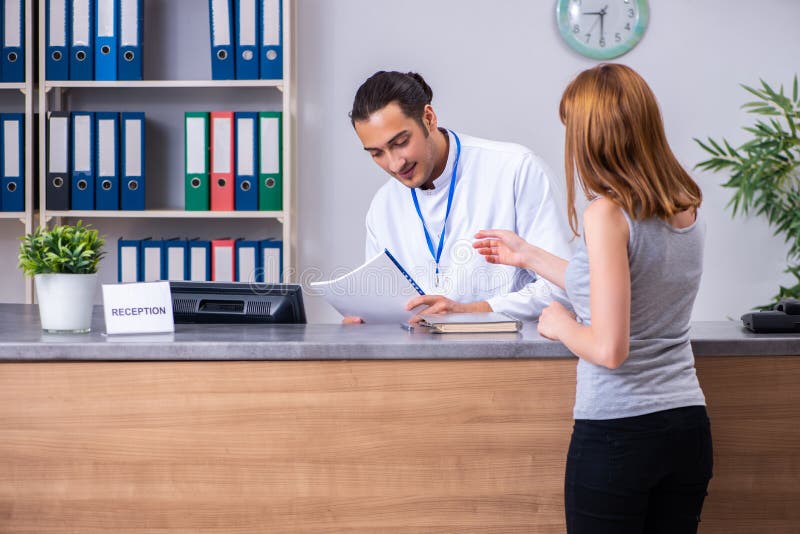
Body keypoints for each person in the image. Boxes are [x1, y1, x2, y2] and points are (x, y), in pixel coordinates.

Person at [474, 63, 712, 533]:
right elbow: (619, 285)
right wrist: (528, 255)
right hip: (687, 426)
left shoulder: (607, 213)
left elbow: (609, 348)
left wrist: (559, 323)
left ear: (592, 137)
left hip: (619, 435)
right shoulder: (685, 204)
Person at [346, 70, 573, 323]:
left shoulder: (516, 169)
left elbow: (563, 289)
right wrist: (369, 320)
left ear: (428, 118)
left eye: (401, 142)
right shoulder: (383, 205)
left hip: (510, 357)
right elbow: (385, 303)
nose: (395, 164)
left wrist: (471, 311)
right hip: (420, 360)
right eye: (376, 153)